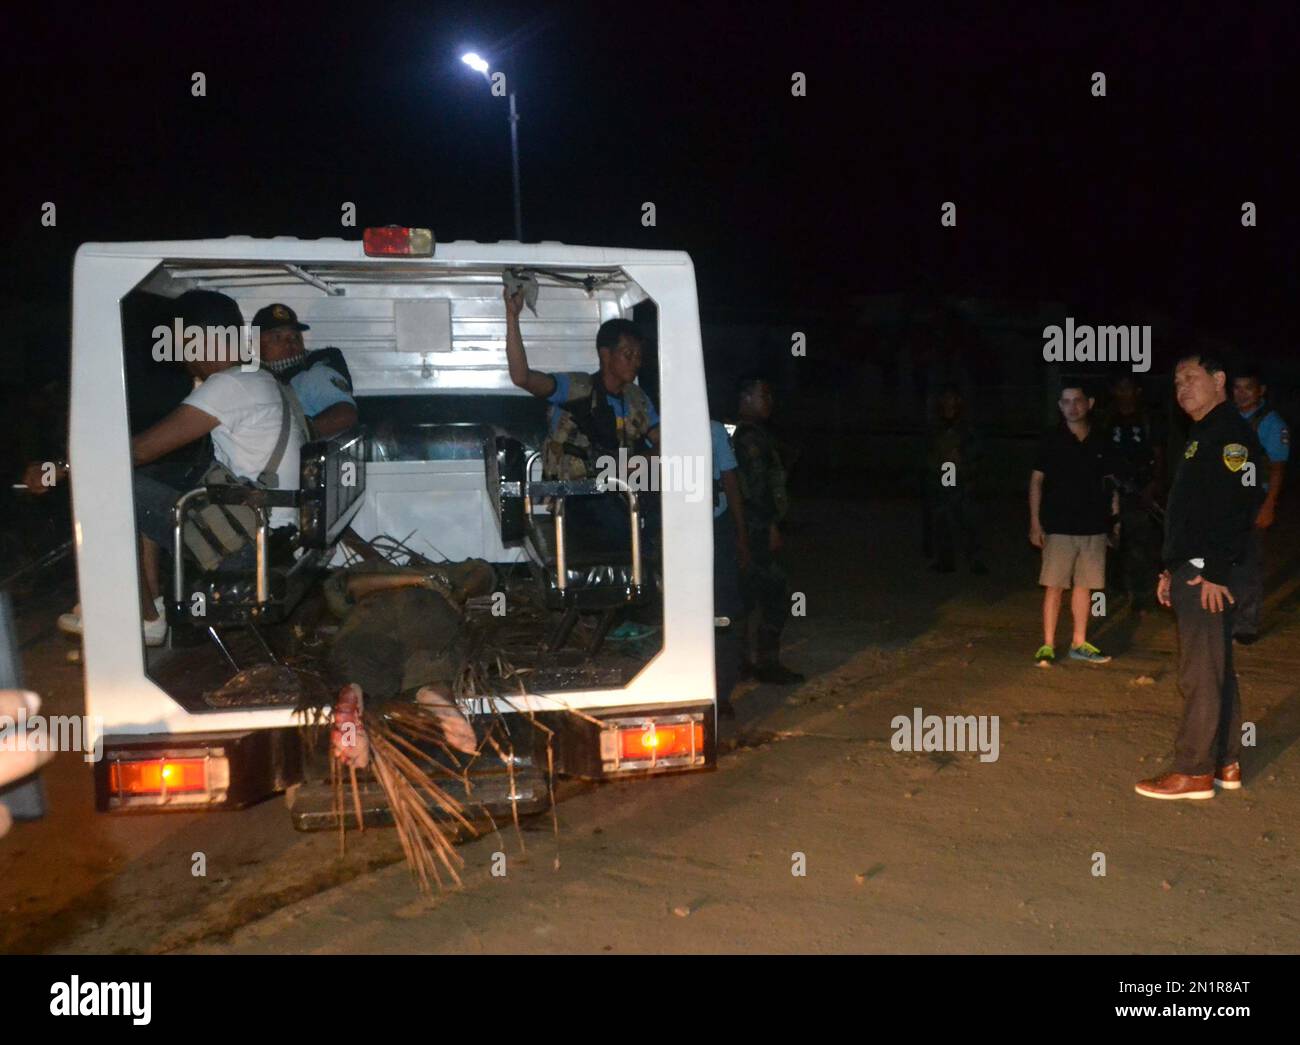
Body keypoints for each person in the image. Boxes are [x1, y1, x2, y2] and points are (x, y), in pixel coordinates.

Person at [31, 291, 306, 645]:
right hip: (272, 535)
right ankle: (151, 612)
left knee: (108, 482)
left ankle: (130, 613)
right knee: (146, 482)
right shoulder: (261, 379)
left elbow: (139, 450)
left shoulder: (229, 385)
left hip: (247, 547)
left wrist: (58, 467)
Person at [1137, 350, 1265, 800]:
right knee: (1216, 668)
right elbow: (1191, 513)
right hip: (1195, 567)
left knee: (1199, 672)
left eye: (1190, 377)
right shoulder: (1203, 435)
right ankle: (1225, 761)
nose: (1181, 388)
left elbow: (1240, 505)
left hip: (1212, 572)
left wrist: (1211, 571)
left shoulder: (1230, 436)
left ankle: (1193, 770)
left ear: (1219, 379)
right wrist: (1170, 567)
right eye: (1176, 382)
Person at [503, 287, 661, 479]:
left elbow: (664, 445)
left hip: (623, 496)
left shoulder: (637, 400)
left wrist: (631, 466)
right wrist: (512, 316)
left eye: (638, 356)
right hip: (575, 499)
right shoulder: (575, 389)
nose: (636, 362)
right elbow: (522, 377)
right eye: (628, 355)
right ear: (605, 354)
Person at [1028, 380, 1119, 666]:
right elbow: (1036, 481)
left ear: (1089, 403)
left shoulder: (1102, 439)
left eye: (1077, 400)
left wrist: (1114, 522)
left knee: (1085, 586)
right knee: (1054, 585)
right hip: (1059, 525)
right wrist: (1035, 522)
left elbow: (1112, 484)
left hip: (1093, 525)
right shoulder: (1051, 438)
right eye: (1066, 402)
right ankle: (1048, 644)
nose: (1072, 406)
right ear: (1059, 406)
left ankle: (1079, 642)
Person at [734, 376, 803, 685]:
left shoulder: (751, 434)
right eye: (763, 395)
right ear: (746, 398)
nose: (769, 401)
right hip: (756, 527)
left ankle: (741, 661)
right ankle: (766, 662)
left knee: (747, 596)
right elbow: (756, 489)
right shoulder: (749, 439)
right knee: (776, 592)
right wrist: (770, 524)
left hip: (747, 528)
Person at [1230, 366, 1289, 643]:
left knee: (1249, 563)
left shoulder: (1271, 423)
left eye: (1248, 388)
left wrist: (1269, 505)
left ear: (1261, 390)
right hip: (1228, 499)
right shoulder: (1228, 418)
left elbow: (1277, 468)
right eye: (1237, 388)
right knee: (1225, 560)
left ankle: (1246, 625)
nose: (1241, 394)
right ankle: (1227, 617)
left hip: (1254, 498)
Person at [1102, 374, 1166, 611]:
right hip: (1113, 489)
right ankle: (1115, 587)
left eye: (1128, 388)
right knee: (1114, 540)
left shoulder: (1148, 418)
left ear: (1137, 391)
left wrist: (1155, 484)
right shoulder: (1107, 418)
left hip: (1142, 489)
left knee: (1142, 541)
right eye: (1119, 388)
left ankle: (1142, 593)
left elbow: (1159, 453)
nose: (1124, 393)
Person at [253, 303, 358, 439]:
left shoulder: (315, 375)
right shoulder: (251, 378)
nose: (289, 343)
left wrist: (298, 435)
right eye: (277, 337)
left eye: (295, 337)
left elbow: (345, 416)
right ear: (255, 342)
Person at [923, 384, 987, 574]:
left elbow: (978, 450)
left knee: (970, 521)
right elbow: (927, 452)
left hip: (964, 477)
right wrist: (939, 462)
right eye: (946, 398)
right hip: (942, 477)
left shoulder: (967, 425)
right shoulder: (935, 425)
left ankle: (975, 560)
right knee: (942, 519)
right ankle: (944, 560)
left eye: (953, 398)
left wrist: (962, 457)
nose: (949, 403)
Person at [711, 419, 750, 718]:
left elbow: (730, 480)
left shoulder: (713, 429)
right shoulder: (652, 426)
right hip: (672, 528)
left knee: (723, 612)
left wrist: (740, 532)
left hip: (716, 524)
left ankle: (721, 692)